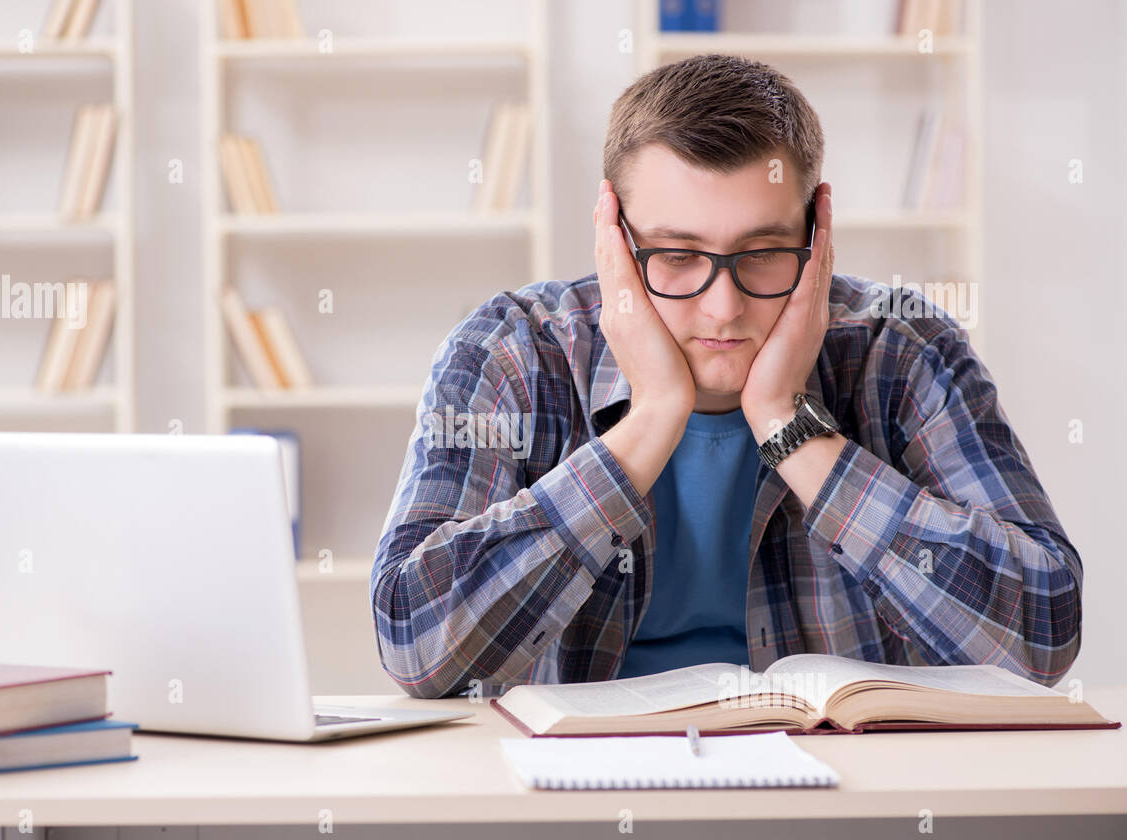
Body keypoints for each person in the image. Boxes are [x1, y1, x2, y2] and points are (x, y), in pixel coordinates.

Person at [371, 54, 1082, 699]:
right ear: (613, 240)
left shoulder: (901, 347)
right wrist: (649, 421)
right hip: (580, 811)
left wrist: (788, 423)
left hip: (853, 808)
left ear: (817, 236)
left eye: (764, 252)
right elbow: (417, 644)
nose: (724, 307)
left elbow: (1041, 635)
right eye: (677, 256)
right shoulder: (511, 352)